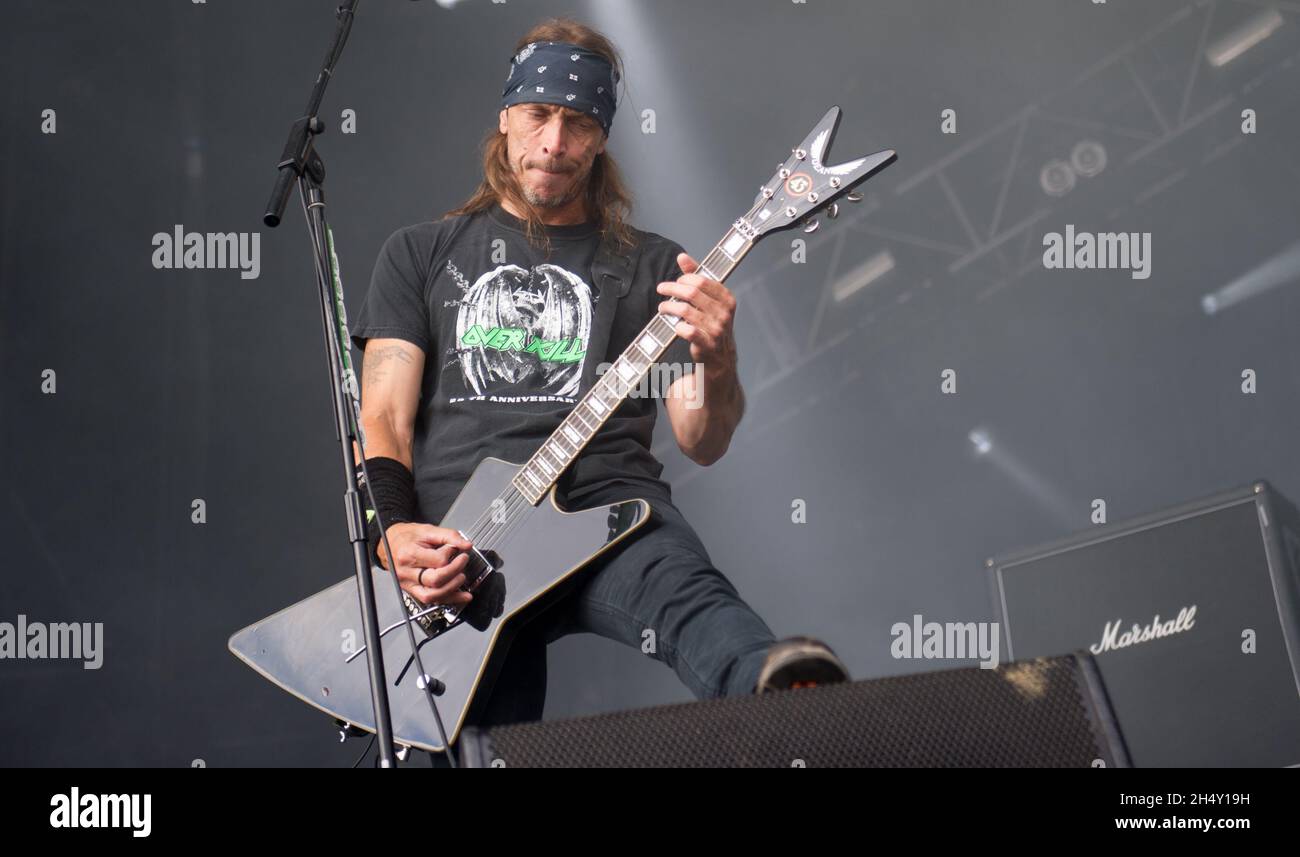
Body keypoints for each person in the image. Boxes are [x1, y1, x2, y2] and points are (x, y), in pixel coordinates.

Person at [347, 17, 848, 737]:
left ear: (604, 136)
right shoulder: (419, 254)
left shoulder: (655, 266)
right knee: (479, 740)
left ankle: (791, 701)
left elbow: (701, 440)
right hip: (462, 543)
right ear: (506, 118)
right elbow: (384, 419)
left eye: (578, 123)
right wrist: (395, 532)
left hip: (607, 512)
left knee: (691, 597)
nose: (554, 143)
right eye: (538, 116)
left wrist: (718, 354)